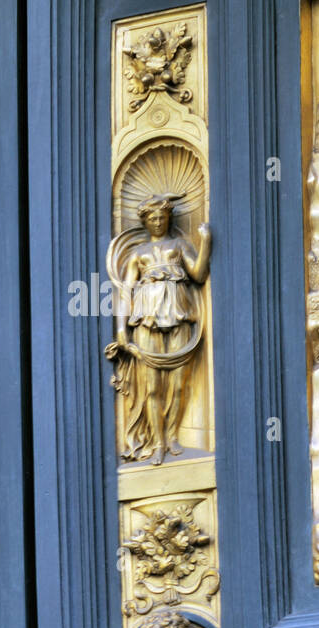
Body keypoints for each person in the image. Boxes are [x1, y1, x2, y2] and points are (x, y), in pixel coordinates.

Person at [105, 194, 212, 465]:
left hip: (178, 318)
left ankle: (173, 436)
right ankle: (158, 443)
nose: (157, 222)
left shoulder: (178, 245)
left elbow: (198, 274)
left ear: (168, 218)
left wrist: (206, 242)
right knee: (152, 387)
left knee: (178, 385)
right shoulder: (137, 254)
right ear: (144, 221)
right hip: (147, 323)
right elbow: (125, 292)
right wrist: (121, 331)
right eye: (152, 218)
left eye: (161, 217)